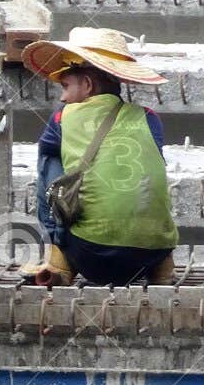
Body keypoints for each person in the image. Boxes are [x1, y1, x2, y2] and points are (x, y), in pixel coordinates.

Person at [20, 27, 177, 286]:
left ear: (88, 85)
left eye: (66, 86)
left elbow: (49, 186)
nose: (62, 96)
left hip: (92, 254)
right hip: (152, 253)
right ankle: (163, 267)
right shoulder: (150, 118)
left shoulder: (62, 118)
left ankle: (57, 257)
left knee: (51, 164)